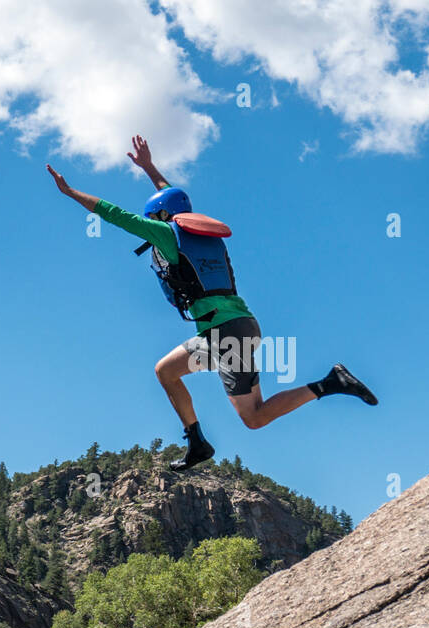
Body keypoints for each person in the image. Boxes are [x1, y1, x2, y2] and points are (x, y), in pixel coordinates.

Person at [46, 135, 377, 470]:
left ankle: (327, 384)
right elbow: (176, 200)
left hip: (224, 333)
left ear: (161, 217)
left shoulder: (167, 234)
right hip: (235, 327)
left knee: (252, 416)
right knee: (174, 375)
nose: (152, 224)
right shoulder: (202, 234)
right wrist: (149, 168)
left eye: (155, 217)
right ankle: (200, 441)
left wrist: (71, 193)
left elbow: (114, 214)